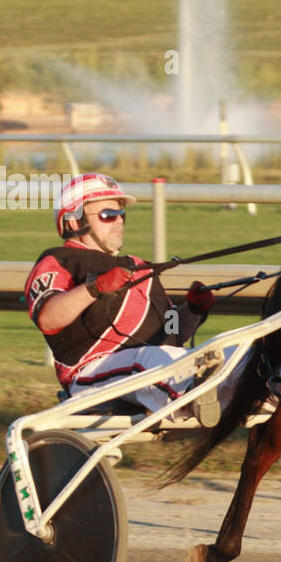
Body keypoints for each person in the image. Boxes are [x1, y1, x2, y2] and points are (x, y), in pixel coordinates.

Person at [24, 173, 223, 421]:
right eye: (108, 215)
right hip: (91, 371)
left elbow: (172, 332)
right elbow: (48, 318)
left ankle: (257, 395)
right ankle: (196, 397)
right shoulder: (57, 261)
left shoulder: (138, 266)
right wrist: (95, 287)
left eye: (122, 215)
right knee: (154, 359)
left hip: (157, 365)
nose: (119, 222)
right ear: (74, 221)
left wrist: (193, 310)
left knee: (227, 349)